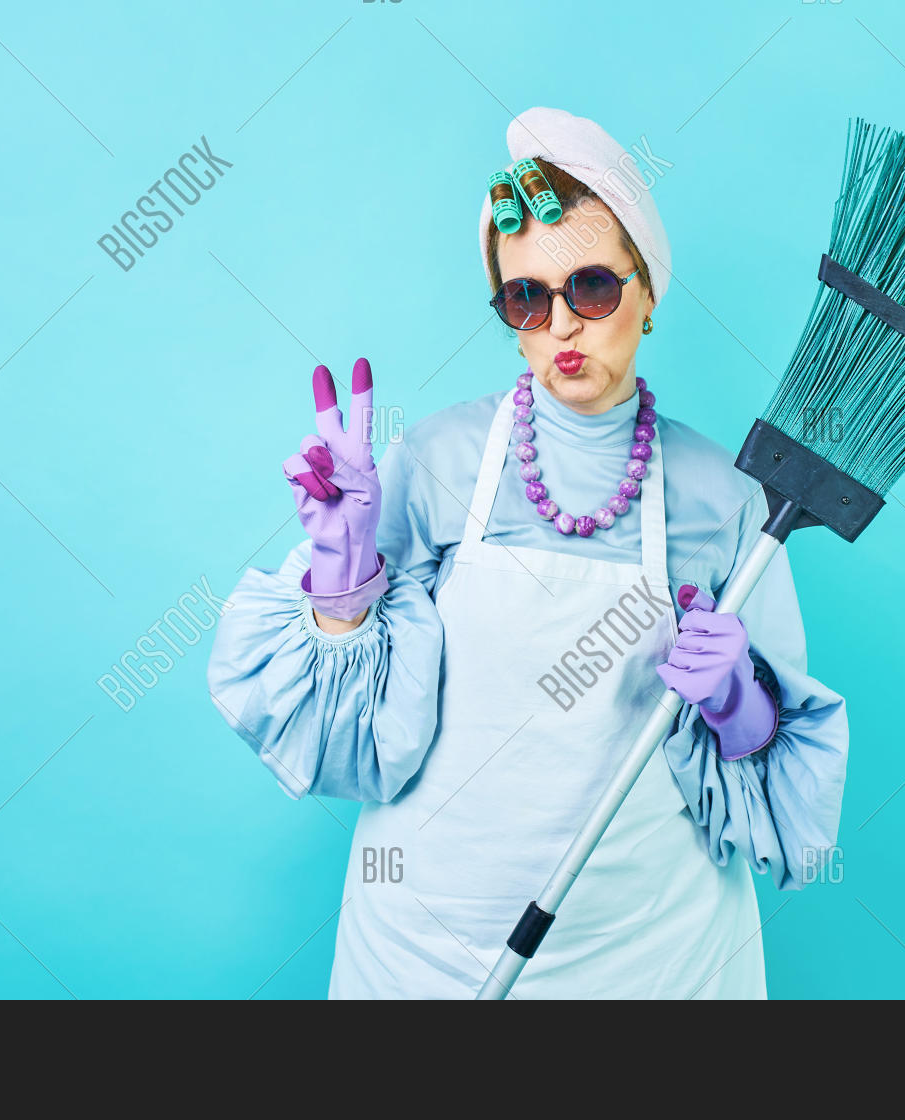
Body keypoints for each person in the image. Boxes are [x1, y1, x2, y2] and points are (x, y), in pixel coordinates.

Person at [208, 106, 849, 999]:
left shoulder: (727, 499)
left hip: (652, 957)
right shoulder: (438, 459)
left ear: (647, 294)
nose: (561, 326)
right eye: (526, 298)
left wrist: (739, 701)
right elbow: (347, 748)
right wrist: (342, 581)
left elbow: (784, 808)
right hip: (425, 951)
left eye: (591, 288)